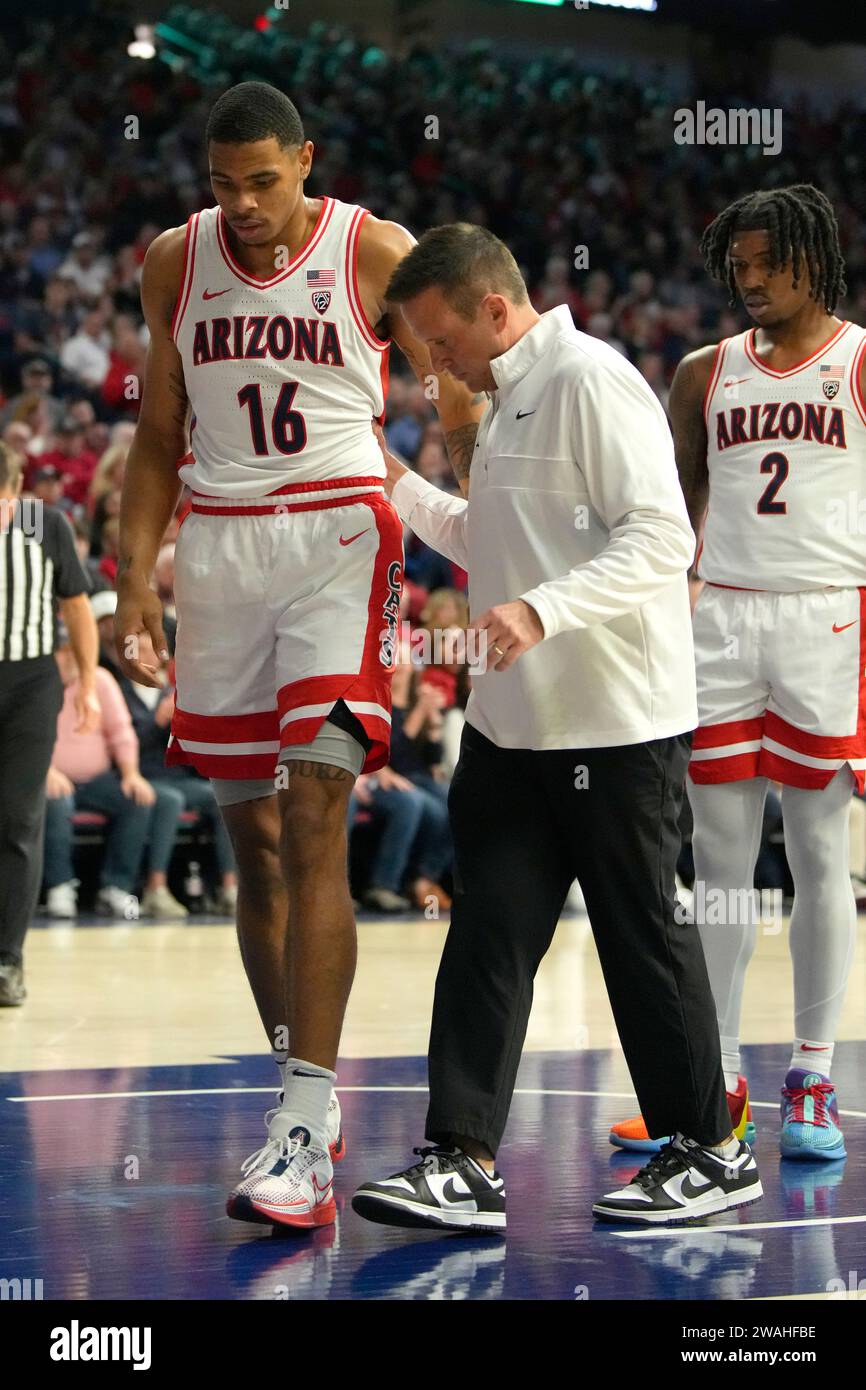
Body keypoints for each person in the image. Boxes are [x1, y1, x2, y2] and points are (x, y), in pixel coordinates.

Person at [113, 82, 482, 1229]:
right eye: (225, 185)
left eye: (264, 181)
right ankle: (300, 1099)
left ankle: (304, 1119)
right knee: (254, 840)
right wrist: (133, 572)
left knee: (317, 807)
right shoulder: (175, 262)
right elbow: (159, 434)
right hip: (216, 547)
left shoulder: (373, 247)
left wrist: (474, 503)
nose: (246, 205)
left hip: (336, 527)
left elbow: (455, 382)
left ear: (305, 162)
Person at [352, 222, 762, 1231]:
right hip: (511, 733)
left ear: (494, 308)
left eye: (440, 343)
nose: (432, 368)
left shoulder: (590, 380)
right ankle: (461, 1159)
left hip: (617, 726)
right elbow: (484, 536)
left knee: (640, 941)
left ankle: (708, 1149)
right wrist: (392, 483)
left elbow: (662, 537)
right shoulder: (505, 402)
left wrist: (542, 610)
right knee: (484, 937)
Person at [609, 185, 863, 1163]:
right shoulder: (700, 374)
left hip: (828, 615)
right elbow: (670, 514)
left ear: (813, 258)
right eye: (737, 265)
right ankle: (711, 1082)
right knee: (714, 863)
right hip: (719, 615)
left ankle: (811, 1071)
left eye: (767, 262)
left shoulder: (857, 360)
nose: (748, 279)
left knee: (813, 849)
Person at [0, 443, 99, 1005]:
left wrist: (86, 684)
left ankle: (8, 959)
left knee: (18, 819)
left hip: (29, 684)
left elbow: (77, 606)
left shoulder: (45, 524)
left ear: (18, 492)